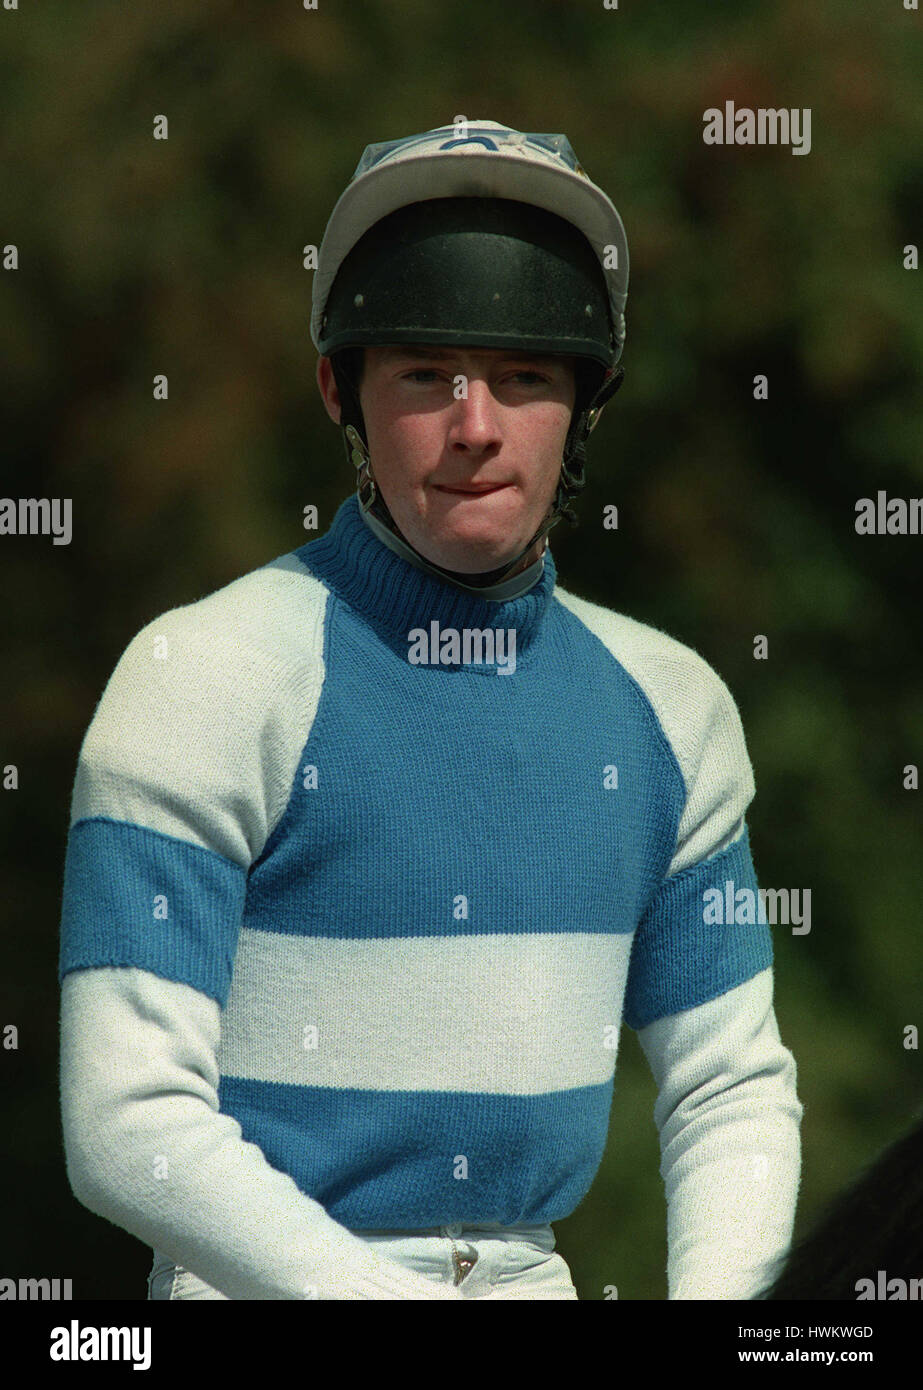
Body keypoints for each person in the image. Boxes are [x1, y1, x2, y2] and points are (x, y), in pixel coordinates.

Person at [58, 119, 803, 1301]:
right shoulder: (200, 675)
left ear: (583, 403)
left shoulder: (671, 709)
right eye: (424, 376)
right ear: (336, 391)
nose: (474, 426)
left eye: (522, 377)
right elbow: (125, 1120)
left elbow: (728, 1083)